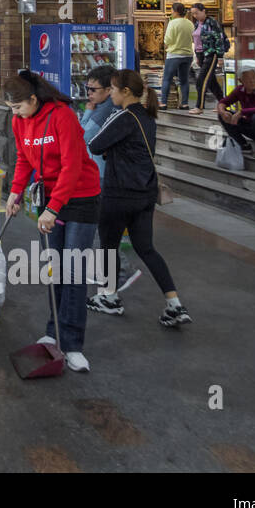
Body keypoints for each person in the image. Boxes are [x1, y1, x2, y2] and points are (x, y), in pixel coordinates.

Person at [3, 70, 101, 373]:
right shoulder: (20, 121)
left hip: (81, 197)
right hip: (50, 197)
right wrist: (15, 192)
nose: (16, 114)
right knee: (55, 268)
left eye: (19, 107)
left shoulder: (62, 115)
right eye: (11, 110)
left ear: (33, 98)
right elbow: (22, 157)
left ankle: (72, 344)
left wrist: (54, 208)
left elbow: (73, 165)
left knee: (73, 270)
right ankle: (53, 330)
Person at [86, 69, 191, 327]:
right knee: (146, 248)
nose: (110, 93)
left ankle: (109, 297)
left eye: (112, 89)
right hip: (145, 193)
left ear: (126, 92)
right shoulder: (147, 117)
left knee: (108, 247)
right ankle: (174, 303)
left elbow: (95, 144)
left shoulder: (123, 116)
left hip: (119, 193)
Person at [81, 64, 139, 295]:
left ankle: (120, 273)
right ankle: (110, 274)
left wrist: (86, 112)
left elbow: (84, 136)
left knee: (101, 228)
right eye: (87, 88)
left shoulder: (106, 110)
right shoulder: (105, 108)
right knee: (102, 228)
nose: (89, 94)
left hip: (103, 176)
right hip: (103, 174)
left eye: (93, 89)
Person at [187, 3, 227, 115]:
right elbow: (196, 41)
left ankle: (199, 107)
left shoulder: (212, 23)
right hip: (201, 55)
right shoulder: (196, 24)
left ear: (203, 11)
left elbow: (219, 39)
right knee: (212, 82)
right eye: (193, 13)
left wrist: (220, 56)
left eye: (197, 13)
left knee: (201, 80)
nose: (195, 15)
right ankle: (223, 104)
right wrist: (197, 56)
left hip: (211, 54)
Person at [160, 2, 195, 110]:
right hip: (188, 55)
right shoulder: (190, 23)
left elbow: (168, 39)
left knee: (167, 79)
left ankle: (163, 103)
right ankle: (184, 104)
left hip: (174, 54)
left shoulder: (173, 23)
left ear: (175, 11)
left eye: (171, 10)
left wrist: (165, 45)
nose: (171, 13)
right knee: (184, 80)